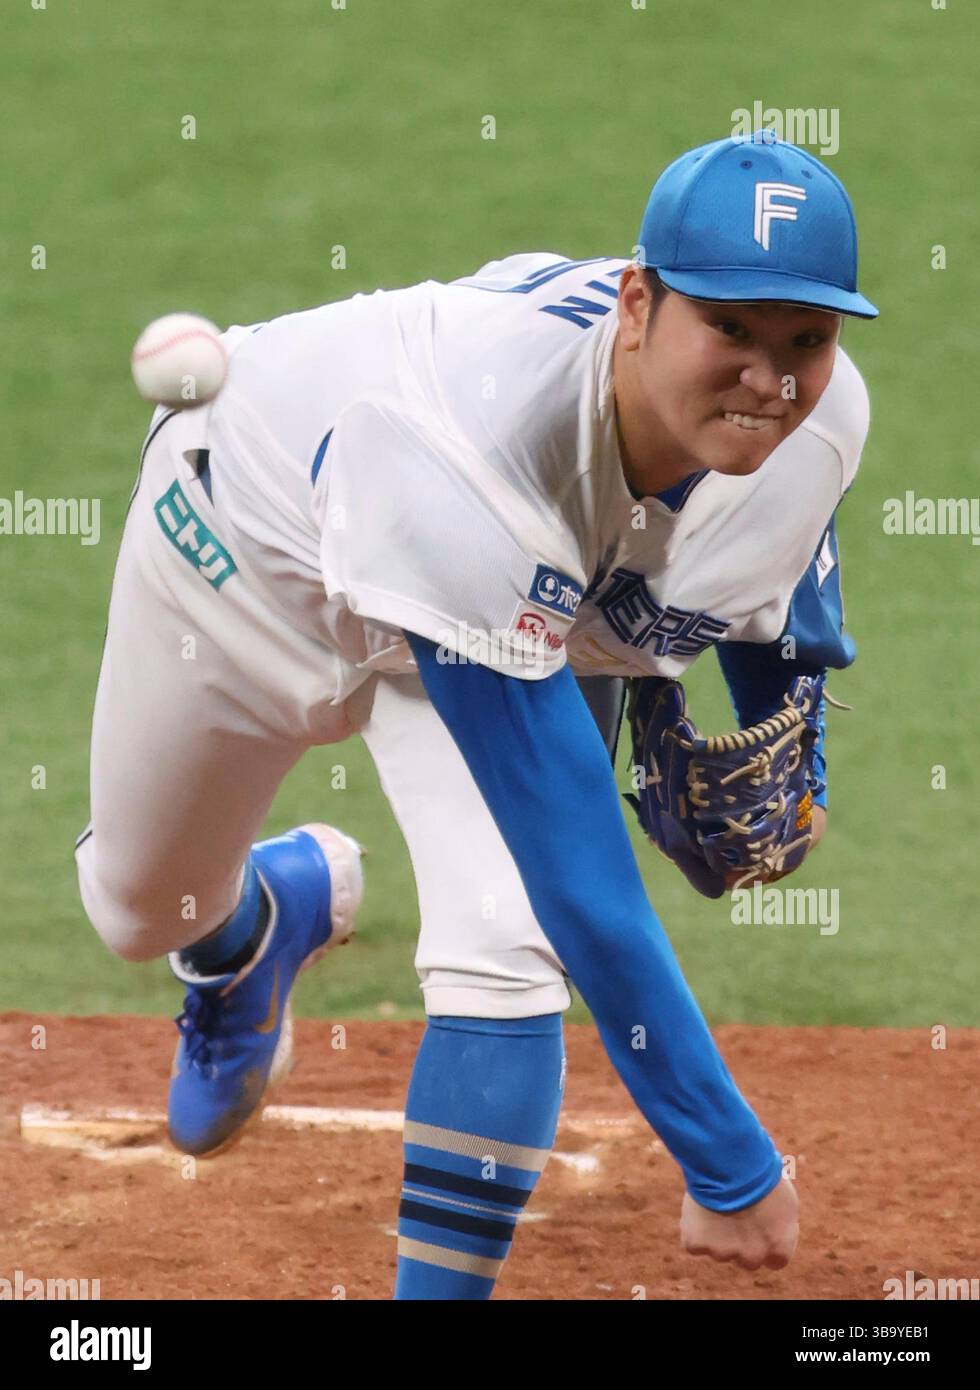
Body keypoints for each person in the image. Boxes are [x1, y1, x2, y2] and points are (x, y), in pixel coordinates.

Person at [75, 130, 876, 1300]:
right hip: (244, 560)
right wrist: (725, 1160)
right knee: (141, 908)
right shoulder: (474, 458)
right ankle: (250, 927)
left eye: (803, 338)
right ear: (638, 304)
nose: (769, 381)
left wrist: (791, 754)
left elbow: (782, 612)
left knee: (504, 960)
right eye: (732, 332)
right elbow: (585, 878)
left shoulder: (819, 416)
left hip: (504, 607)